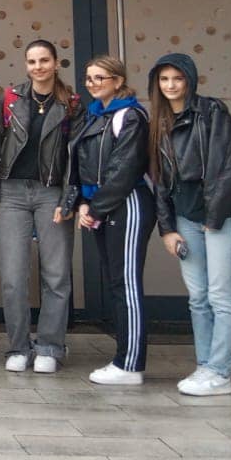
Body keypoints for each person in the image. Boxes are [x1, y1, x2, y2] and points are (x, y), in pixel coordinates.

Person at [148, 52, 231, 397]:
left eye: (177, 78)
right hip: (184, 218)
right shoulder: (158, 122)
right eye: (164, 79)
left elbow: (229, 165)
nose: (171, 85)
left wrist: (214, 217)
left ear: (190, 79)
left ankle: (220, 372)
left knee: (221, 296)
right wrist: (167, 228)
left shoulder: (212, 112)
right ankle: (205, 366)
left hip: (218, 217)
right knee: (198, 298)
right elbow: (159, 180)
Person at [0, 39, 81, 374]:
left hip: (51, 192)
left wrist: (70, 198)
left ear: (56, 63)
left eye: (44, 60)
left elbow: (76, 157)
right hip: (12, 193)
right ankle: (18, 346)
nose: (38, 66)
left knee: (55, 274)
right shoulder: (10, 99)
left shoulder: (71, 103)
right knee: (13, 276)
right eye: (32, 61)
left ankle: (50, 346)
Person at [68, 53, 154, 387]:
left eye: (99, 78)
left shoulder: (129, 116)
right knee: (118, 283)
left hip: (127, 203)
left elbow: (123, 170)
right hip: (104, 206)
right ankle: (124, 359)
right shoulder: (94, 116)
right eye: (88, 78)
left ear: (118, 81)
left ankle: (130, 364)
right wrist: (84, 203)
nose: (91, 84)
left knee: (126, 285)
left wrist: (95, 207)